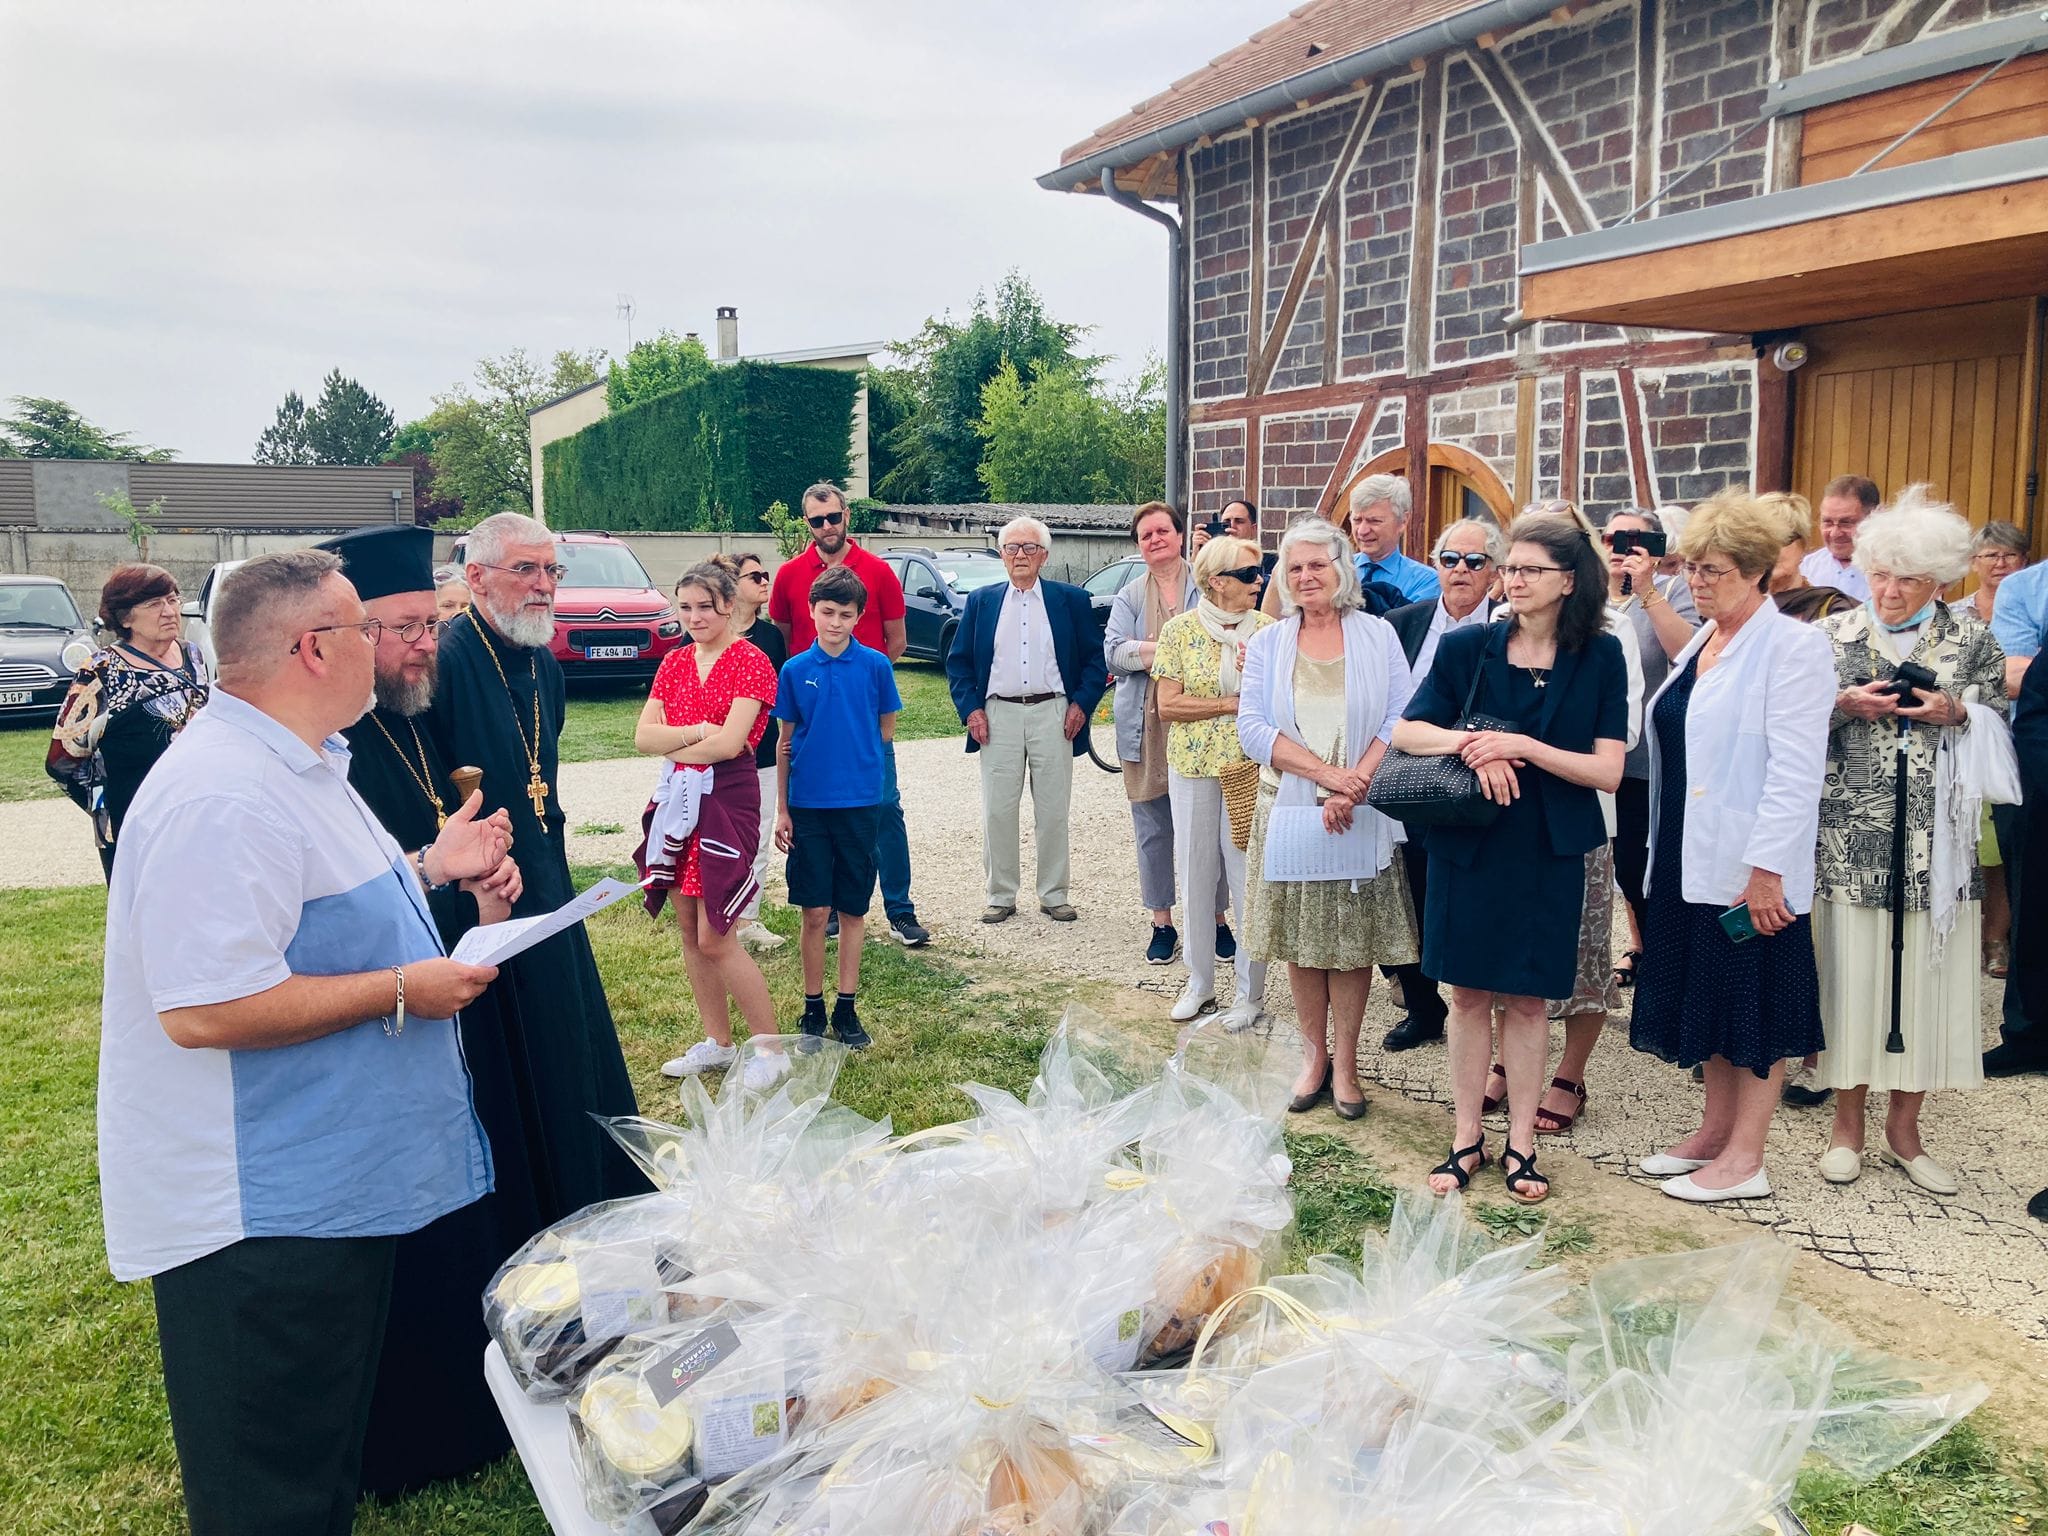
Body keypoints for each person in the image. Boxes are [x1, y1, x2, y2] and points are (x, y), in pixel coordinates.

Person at [100, 549, 505, 1536]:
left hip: (319, 1187)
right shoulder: (222, 793)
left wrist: (430, 867)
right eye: (365, 627)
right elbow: (205, 1009)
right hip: (258, 1221)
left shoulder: (297, 760)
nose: (385, 645)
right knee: (269, 1493)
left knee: (314, 1466)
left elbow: (303, 906)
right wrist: (404, 988)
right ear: (315, 647)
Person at [312, 526, 540, 1496]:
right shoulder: (326, 749)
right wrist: (447, 883)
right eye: (401, 628)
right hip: (375, 1020)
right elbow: (342, 912)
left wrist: (481, 881)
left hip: (446, 989)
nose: (422, 646)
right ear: (346, 634)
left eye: (430, 623)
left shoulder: (411, 716)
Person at [1395, 515, 1628, 1205]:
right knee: (1467, 996)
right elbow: (1408, 730)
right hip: (1470, 844)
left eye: (1530, 569)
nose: (1513, 579)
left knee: (1529, 1002)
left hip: (1549, 848)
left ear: (1569, 582)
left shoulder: (1601, 656)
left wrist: (1521, 746)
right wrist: (1475, 745)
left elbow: (1608, 770)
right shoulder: (1468, 646)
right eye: (1512, 567)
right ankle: (1467, 1136)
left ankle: (1521, 1142)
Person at [428, 512, 645, 1205]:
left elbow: (539, 774)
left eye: (552, 570)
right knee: (518, 1048)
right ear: (476, 576)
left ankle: (586, 1182)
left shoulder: (542, 662)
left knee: (568, 1036)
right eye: (525, 569)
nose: (544, 585)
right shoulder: (446, 664)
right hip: (487, 890)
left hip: (548, 874)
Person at [1628, 493, 1836, 1203]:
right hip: (1686, 854)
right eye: (1690, 567)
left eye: (1712, 570)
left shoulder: (1794, 647)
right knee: (1707, 997)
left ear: (1754, 572)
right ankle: (1715, 1133)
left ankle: (1747, 1158)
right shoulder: (1703, 642)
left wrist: (1768, 871)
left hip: (1750, 864)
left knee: (1753, 1008)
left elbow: (1797, 771)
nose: (1696, 582)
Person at [1812, 490, 2008, 1193]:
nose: (1890, 592)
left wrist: (1957, 711)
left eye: (1909, 580)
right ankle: (1846, 1128)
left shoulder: (1972, 640)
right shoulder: (1832, 636)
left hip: (1939, 845)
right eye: (1880, 575)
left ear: (1941, 582)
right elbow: (1789, 726)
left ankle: (1905, 1130)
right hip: (1849, 838)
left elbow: (1999, 721)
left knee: (1924, 984)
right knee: (1852, 980)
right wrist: (1842, 705)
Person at [1240, 516, 1419, 1125]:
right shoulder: (1269, 642)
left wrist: (1354, 782)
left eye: (1317, 564)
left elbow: (1399, 718)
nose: (1306, 576)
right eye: (1294, 567)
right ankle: (1313, 1059)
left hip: (1359, 809)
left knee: (1352, 944)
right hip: (1291, 808)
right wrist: (1326, 777)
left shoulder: (1377, 634)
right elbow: (1252, 729)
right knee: (1302, 942)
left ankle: (1347, 1065)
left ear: (1341, 569)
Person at [635, 562, 783, 1083]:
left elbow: (732, 744)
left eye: (706, 606)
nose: (695, 617)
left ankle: (771, 1050)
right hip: (678, 797)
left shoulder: (751, 661)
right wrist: (699, 731)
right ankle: (718, 1042)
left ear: (728, 605)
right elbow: (642, 737)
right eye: (686, 607)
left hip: (726, 797)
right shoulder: (673, 662)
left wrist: (678, 741)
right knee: (688, 929)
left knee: (717, 934)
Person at [767, 483, 929, 947]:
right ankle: (835, 906)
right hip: (812, 715)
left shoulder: (878, 571)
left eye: (833, 517)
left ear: (847, 516)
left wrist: (859, 684)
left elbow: (897, 640)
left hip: (862, 718)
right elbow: (784, 641)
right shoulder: (789, 576)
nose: (826, 527)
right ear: (807, 524)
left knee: (884, 808)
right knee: (822, 813)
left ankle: (900, 910)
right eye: (817, 520)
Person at [1375, 517, 1505, 1052]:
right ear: (1436, 565)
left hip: (1481, 782)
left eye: (1475, 561)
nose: (1461, 570)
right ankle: (1424, 1008)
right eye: (1450, 559)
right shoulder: (1402, 622)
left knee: (1476, 903)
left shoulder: (1510, 627)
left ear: (1495, 572)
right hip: (1409, 778)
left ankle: (1491, 1014)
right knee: (1405, 896)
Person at [946, 516, 1108, 924]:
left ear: (1044, 555)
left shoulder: (1071, 600)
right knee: (998, 810)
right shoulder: (981, 602)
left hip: (1054, 712)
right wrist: (971, 710)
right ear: (1002, 555)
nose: (1020, 555)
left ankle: (1054, 894)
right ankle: (1000, 895)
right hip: (997, 714)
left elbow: (1095, 659)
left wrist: (1081, 704)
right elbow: (958, 662)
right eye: (1012, 548)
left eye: (1029, 547)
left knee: (1053, 810)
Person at [773, 564, 902, 1049]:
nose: (835, 622)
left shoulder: (875, 666)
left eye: (845, 615)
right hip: (808, 805)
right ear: (811, 611)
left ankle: (847, 1007)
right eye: (827, 612)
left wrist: (858, 764)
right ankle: (813, 1006)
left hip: (859, 803)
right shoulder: (794, 670)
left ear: (859, 617)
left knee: (852, 907)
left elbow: (885, 728)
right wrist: (783, 809)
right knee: (814, 910)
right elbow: (784, 743)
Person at [1151, 534, 1273, 1029]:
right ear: (1217, 581)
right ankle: (1199, 983)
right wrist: (1230, 703)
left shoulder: (1268, 631)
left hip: (1250, 770)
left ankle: (1250, 994)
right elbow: (1167, 705)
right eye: (1247, 574)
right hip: (1194, 768)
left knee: (1248, 879)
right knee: (1195, 875)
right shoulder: (1179, 631)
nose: (1258, 581)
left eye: (1259, 572)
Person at [1107, 502, 1232, 963]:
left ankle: (1216, 920)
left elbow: (1226, 635)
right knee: (1153, 827)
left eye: (1163, 531)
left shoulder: (1210, 584)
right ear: (1139, 546)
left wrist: (1148, 653)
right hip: (1145, 727)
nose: (1155, 540)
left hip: (1203, 722)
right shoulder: (1129, 596)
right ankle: (1162, 922)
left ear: (1180, 536)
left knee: (1209, 826)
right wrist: (1174, 648)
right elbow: (1113, 653)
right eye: (1146, 535)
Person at [47, 562, 211, 879]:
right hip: (136, 825)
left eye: (173, 600)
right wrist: (107, 808)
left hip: (197, 817)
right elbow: (62, 761)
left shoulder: (193, 655)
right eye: (154, 604)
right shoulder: (101, 670)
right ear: (125, 618)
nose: (169, 611)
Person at [1600, 509, 1700, 991]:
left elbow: (1688, 654)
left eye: (1635, 539)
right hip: (1594, 755)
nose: (1621, 548)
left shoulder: (1673, 590)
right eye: (1612, 538)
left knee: (1641, 865)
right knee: (1615, 868)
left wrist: (1646, 590)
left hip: (1645, 759)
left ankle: (1665, 964)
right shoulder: (1586, 593)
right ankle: (1643, 952)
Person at [702, 551, 788, 953]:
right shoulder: (704, 634)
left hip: (762, 756)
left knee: (756, 837)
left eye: (765, 574)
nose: (765, 581)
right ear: (731, 586)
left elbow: (779, 699)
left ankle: (748, 919)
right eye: (755, 576)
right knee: (711, 838)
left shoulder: (771, 638)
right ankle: (713, 913)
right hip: (711, 758)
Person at [1987, 529, 2048, 1076]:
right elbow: (2014, 680)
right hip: (2037, 764)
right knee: (2033, 900)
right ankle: (2029, 1035)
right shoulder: (2026, 588)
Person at [1967, 523, 2027, 978]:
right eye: (1990, 555)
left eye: (2009, 555)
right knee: (1972, 840)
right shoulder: (1955, 613)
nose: (2000, 563)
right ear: (1974, 563)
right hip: (1965, 737)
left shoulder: (2030, 604)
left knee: (2000, 844)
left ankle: (1996, 939)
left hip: (2016, 737)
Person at [1348, 474, 1441, 602]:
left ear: (1403, 521)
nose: (1362, 531)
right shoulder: (1334, 571)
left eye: (1374, 521)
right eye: (1357, 520)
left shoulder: (1425, 582)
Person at [1799, 473, 1880, 600]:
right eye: (1827, 522)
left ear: (1873, 519)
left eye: (1846, 523)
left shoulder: (1893, 572)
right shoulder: (1807, 568)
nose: (1834, 533)